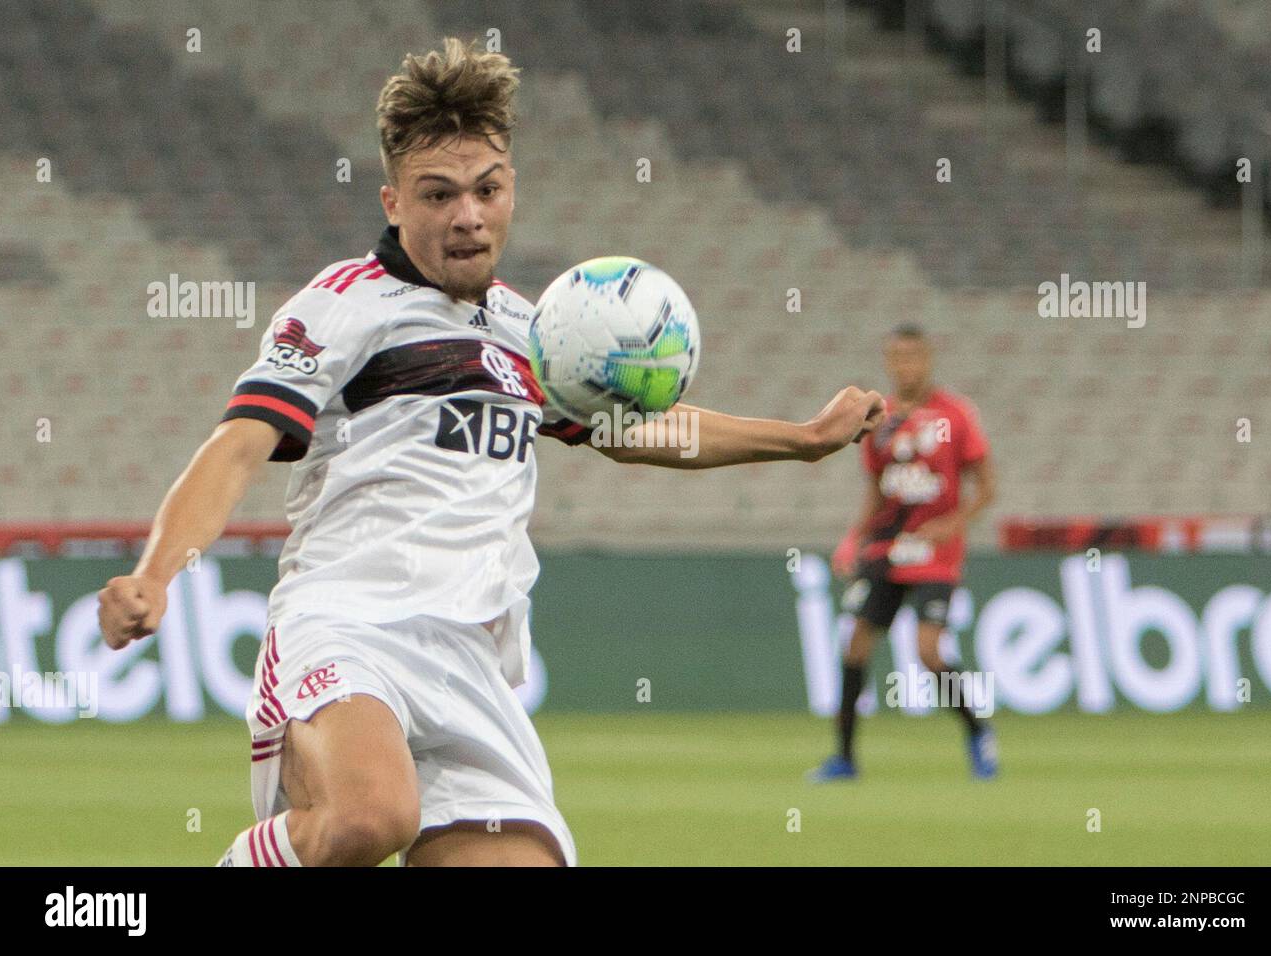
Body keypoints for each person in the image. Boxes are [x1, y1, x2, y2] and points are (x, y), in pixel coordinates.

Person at [96, 38, 887, 866]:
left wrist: (802, 440)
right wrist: (156, 571)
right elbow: (237, 447)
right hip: (347, 625)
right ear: (394, 200)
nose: (467, 215)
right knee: (369, 818)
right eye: (438, 194)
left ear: (513, 192)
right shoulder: (342, 308)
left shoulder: (531, 331)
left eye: (487, 190)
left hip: (471, 658)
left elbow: (632, 430)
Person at [810, 324, 997, 783]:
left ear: (929, 359)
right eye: (896, 358)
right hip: (887, 547)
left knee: (928, 652)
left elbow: (987, 488)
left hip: (935, 553)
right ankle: (844, 758)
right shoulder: (879, 417)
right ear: (887, 362)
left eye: (913, 357)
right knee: (854, 645)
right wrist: (853, 538)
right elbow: (876, 489)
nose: (905, 366)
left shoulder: (956, 415)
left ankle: (977, 732)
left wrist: (953, 524)